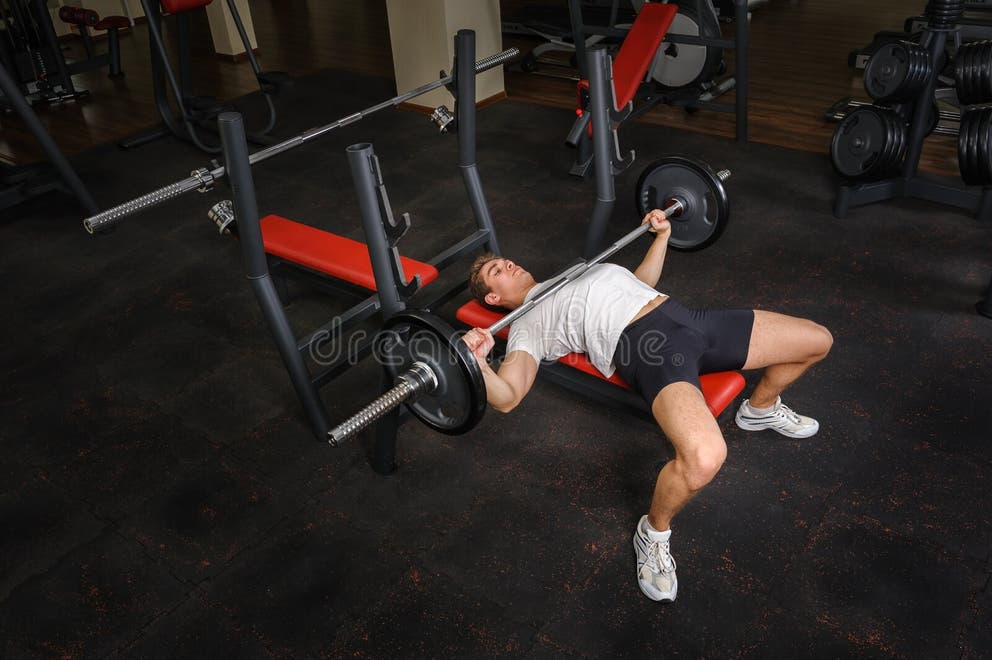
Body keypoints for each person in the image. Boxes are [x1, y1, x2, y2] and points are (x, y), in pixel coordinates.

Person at [461, 209, 833, 603]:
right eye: (498, 270)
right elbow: (507, 397)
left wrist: (661, 236)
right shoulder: (526, 324)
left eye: (506, 260)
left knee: (817, 340)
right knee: (704, 458)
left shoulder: (572, 273)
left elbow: (638, 284)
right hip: (649, 350)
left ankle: (760, 408)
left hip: (689, 320)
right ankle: (653, 532)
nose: (509, 264)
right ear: (492, 298)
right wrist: (480, 363)